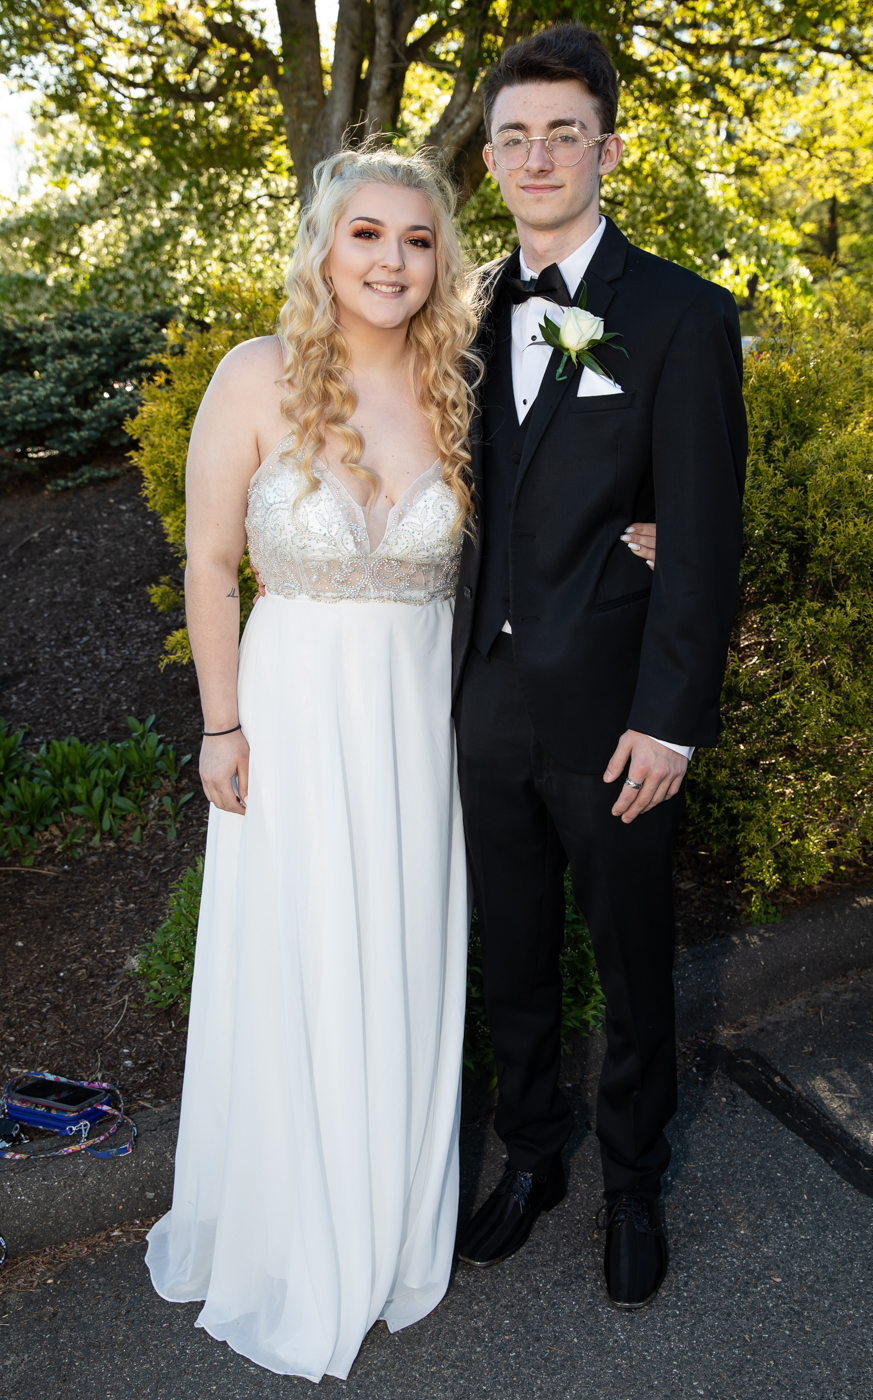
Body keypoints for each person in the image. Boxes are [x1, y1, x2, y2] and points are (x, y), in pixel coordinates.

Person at [145, 148, 482, 1383]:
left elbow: (559, 506)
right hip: (288, 717)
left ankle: (386, 1223)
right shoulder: (252, 377)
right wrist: (221, 723)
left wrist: (642, 519)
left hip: (415, 733)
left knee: (394, 955)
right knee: (299, 959)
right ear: (324, 250)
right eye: (366, 236)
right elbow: (208, 564)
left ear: (439, 257)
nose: (392, 260)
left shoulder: (462, 384)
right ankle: (293, 1230)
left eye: (416, 239)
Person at [452, 25, 746, 1310]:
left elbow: (706, 529)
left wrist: (672, 721)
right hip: (482, 705)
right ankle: (536, 1157)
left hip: (621, 711)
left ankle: (633, 1180)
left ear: (607, 148)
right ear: (493, 157)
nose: (536, 155)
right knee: (509, 954)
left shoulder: (681, 313)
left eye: (563, 131)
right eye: (514, 135)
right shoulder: (460, 311)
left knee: (629, 962)